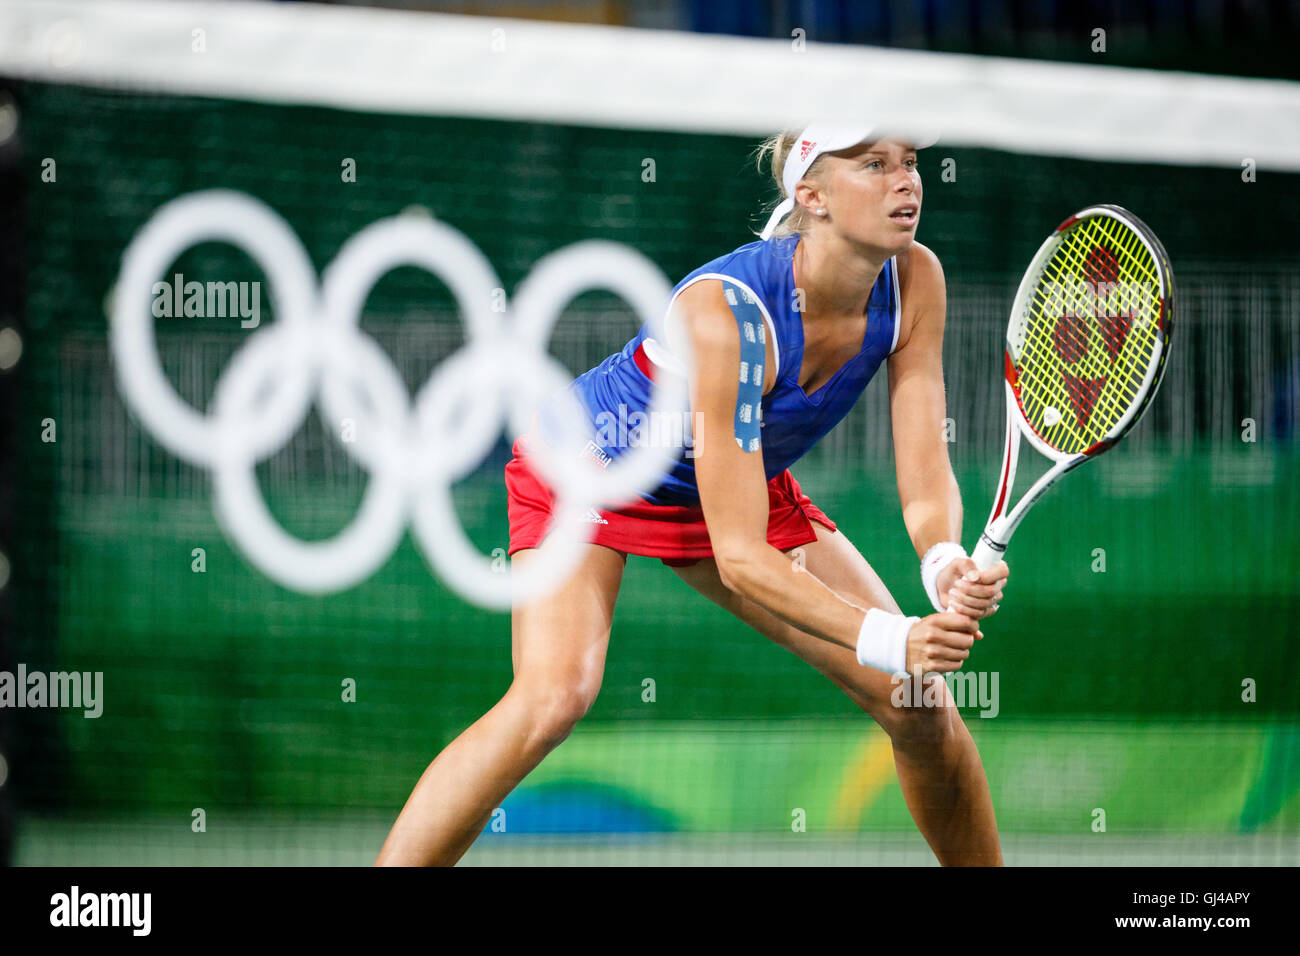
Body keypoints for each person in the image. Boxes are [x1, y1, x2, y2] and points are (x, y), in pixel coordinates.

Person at [376, 125, 1011, 866]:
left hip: (731, 479)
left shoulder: (915, 279)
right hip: (594, 468)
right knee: (552, 700)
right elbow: (741, 559)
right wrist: (892, 637)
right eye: (873, 165)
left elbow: (924, 462)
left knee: (920, 706)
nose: (906, 182)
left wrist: (942, 560)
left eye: (909, 163)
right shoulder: (728, 315)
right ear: (813, 196)